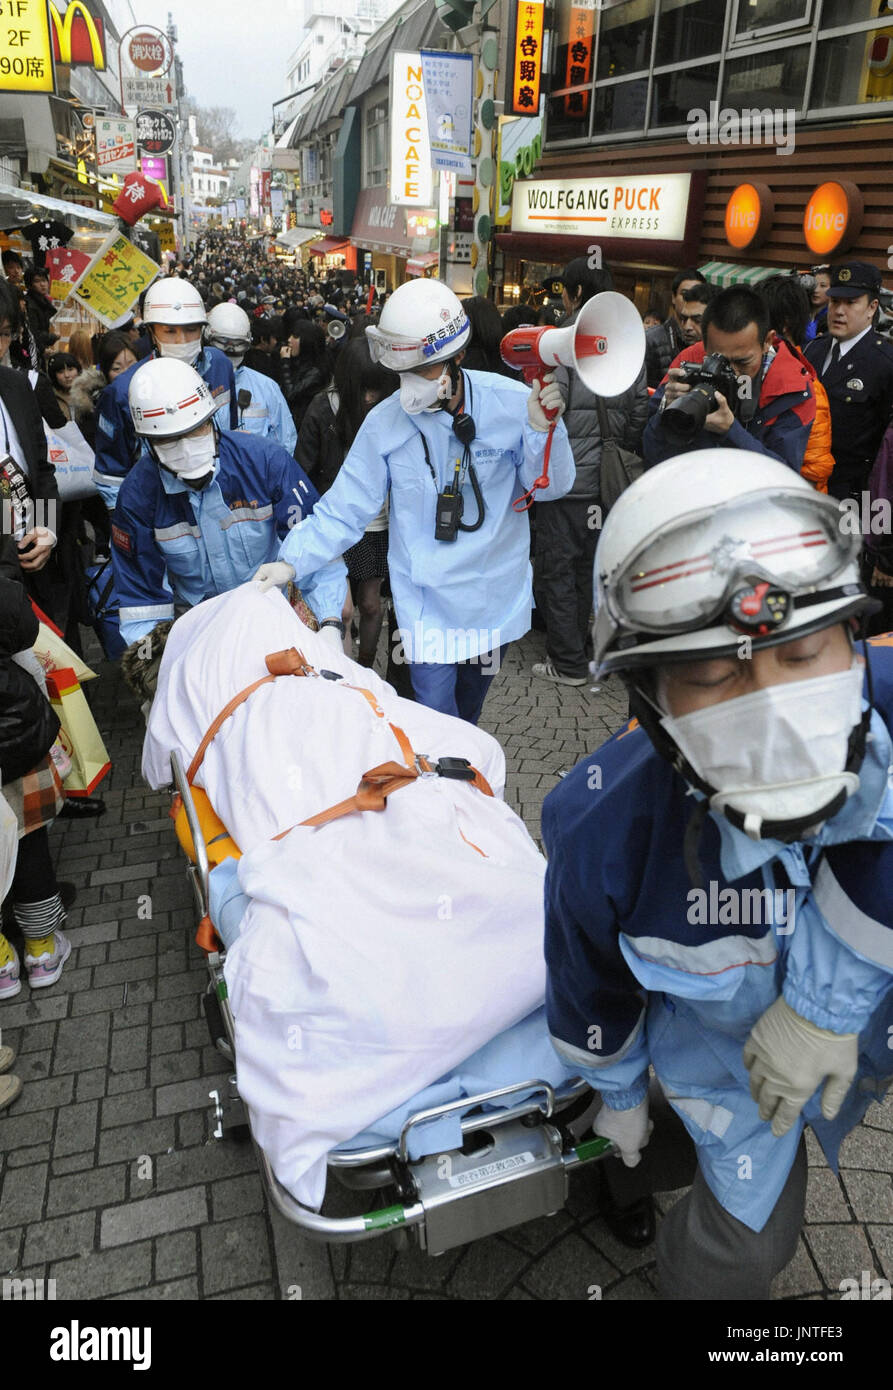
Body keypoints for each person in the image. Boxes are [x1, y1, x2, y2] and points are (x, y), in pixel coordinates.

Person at [543, 450, 893, 1299]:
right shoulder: (602, 833)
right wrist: (616, 1090)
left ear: (854, 638)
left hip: (871, 1019)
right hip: (720, 1068)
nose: (772, 711)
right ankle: (626, 1178)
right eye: (710, 675)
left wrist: (823, 1013)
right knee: (737, 1255)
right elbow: (586, 981)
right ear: (648, 701)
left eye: (804, 652)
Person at [254, 278, 574, 725]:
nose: (408, 386)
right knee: (433, 722)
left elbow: (552, 487)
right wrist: (292, 561)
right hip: (426, 605)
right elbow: (345, 507)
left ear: (456, 358)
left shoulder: (512, 403)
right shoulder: (385, 422)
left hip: (491, 597)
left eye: (422, 371)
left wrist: (543, 431)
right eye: (400, 373)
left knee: (468, 717)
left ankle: (462, 787)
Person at [111, 358, 345, 652]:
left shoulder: (265, 463)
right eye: (169, 440)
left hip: (275, 617)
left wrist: (329, 623)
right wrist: (153, 665)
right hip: (197, 634)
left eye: (195, 431)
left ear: (212, 421)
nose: (185, 449)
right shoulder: (138, 497)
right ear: (148, 443)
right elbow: (141, 599)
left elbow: (314, 545)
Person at [531, 259, 649, 687]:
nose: (561, 297)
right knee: (587, 569)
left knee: (557, 570)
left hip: (565, 482)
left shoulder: (562, 341)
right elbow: (640, 411)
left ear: (577, 294)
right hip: (608, 482)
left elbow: (548, 406)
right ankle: (583, 649)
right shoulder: (627, 342)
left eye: (565, 290)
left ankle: (567, 663)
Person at [296, 338, 398, 666]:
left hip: (376, 523)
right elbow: (302, 471)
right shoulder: (324, 408)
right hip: (335, 521)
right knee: (341, 608)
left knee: (371, 604)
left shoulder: (394, 410)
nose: (370, 397)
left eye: (378, 389)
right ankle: (344, 675)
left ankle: (365, 668)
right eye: (365, 388)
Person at [93, 278, 236, 511]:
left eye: (191, 330)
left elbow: (230, 436)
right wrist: (136, 526)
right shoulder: (122, 393)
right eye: (170, 332)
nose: (181, 341)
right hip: (161, 512)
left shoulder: (220, 366)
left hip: (221, 500)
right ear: (151, 332)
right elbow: (111, 478)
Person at [643, 284, 816, 474]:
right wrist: (667, 412)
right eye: (719, 360)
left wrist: (731, 431)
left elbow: (784, 477)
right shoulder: (689, 361)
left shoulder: (793, 387)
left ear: (767, 341)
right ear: (704, 345)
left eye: (743, 361)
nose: (732, 371)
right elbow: (651, 455)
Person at [0, 572, 71, 1002]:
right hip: (14, 742)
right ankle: (42, 954)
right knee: (29, 849)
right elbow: (23, 627)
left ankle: (2, 965)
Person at [803, 261, 893, 502]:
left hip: (852, 494)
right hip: (805, 482)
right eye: (835, 301)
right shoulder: (812, 350)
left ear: (872, 307)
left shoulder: (884, 363)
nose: (839, 311)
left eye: (850, 303)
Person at [759, 275, 834, 494]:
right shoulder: (753, 372)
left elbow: (812, 476)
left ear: (785, 324)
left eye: (758, 317)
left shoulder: (810, 389)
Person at [205, 302, 296, 453]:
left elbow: (286, 443)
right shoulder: (191, 383)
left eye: (237, 344)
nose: (231, 349)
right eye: (223, 343)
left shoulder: (267, 387)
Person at [644, 267, 708, 389]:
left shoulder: (710, 343)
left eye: (697, 293)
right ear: (673, 297)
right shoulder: (650, 339)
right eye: (685, 294)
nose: (691, 297)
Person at [279, 314, 330, 434]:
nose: (289, 340)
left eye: (295, 337)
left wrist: (285, 364)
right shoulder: (298, 362)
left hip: (305, 429)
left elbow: (291, 394)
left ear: (307, 341)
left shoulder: (316, 371)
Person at [24, 266, 58, 365]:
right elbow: (33, 333)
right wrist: (52, 337)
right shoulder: (29, 304)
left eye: (44, 280)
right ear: (30, 285)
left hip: (44, 348)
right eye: (37, 281)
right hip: (34, 353)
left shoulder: (45, 301)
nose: (42, 284)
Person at [804, 264, 831, 343]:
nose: (816, 290)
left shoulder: (832, 318)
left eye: (823, 286)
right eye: (814, 285)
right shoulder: (803, 311)